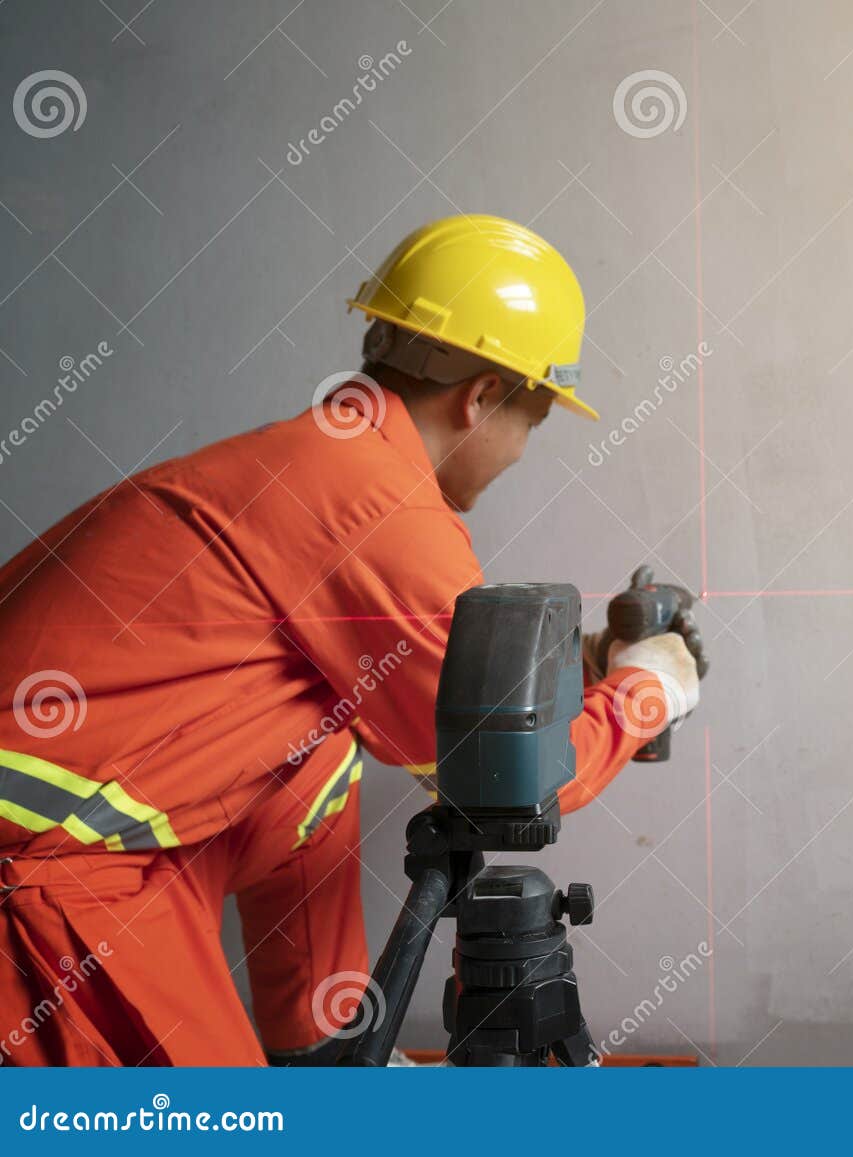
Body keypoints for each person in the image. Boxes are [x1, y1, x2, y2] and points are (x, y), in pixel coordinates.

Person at [0, 214, 702, 1066]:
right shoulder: (380, 511)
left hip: (107, 842)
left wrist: (586, 661)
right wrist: (647, 685)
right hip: (43, 878)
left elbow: (444, 692)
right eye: (534, 419)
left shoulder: (324, 467)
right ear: (482, 397)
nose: (520, 451)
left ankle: (325, 1049)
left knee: (319, 735)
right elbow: (507, 775)